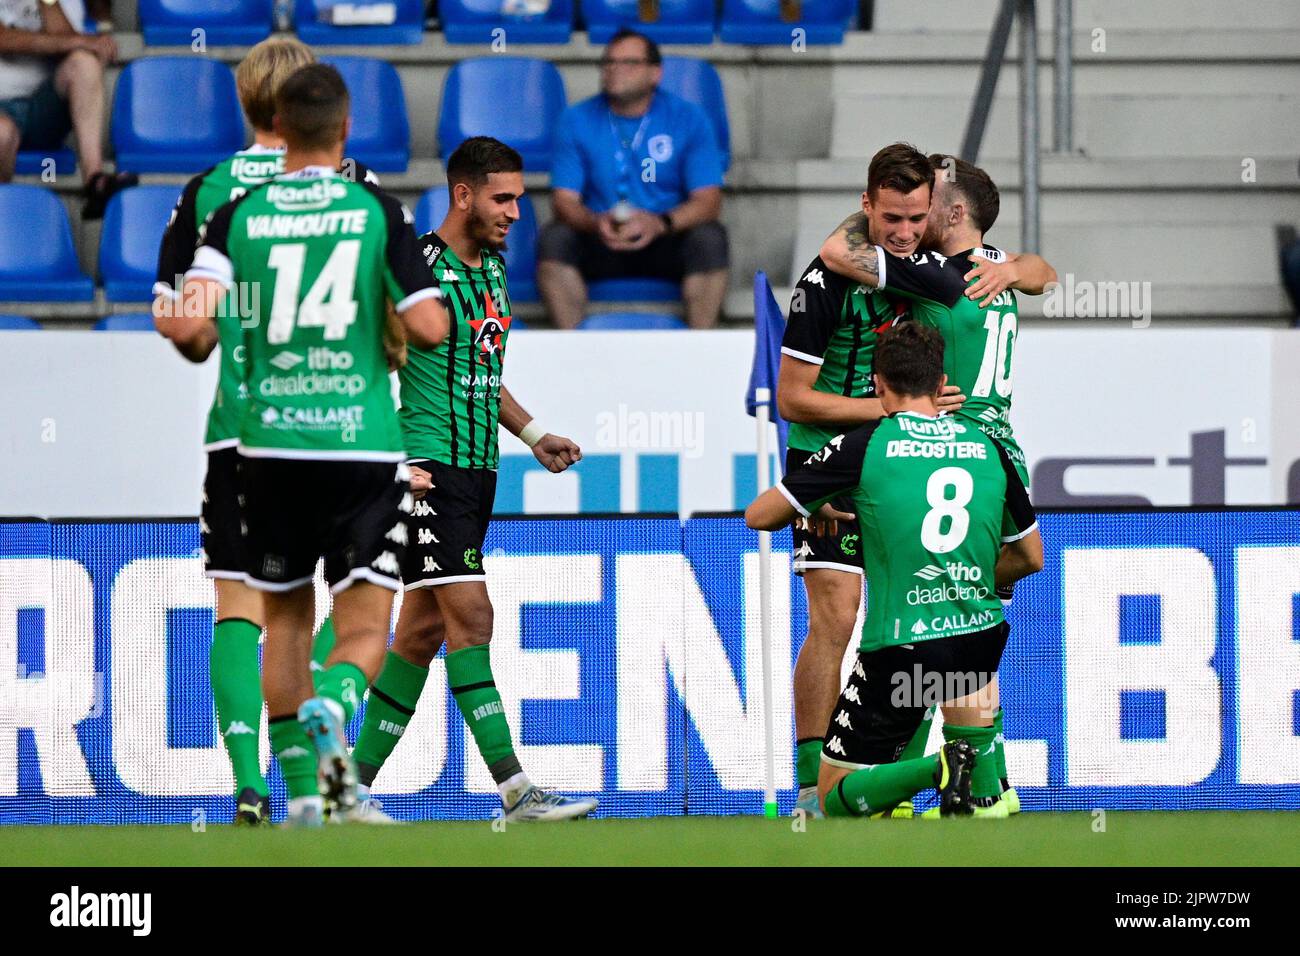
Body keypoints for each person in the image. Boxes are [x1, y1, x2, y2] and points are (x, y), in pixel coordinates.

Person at [159, 63, 448, 827]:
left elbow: (191, 332)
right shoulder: (372, 205)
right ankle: (336, 704)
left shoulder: (233, 212)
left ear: (278, 129)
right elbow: (426, 328)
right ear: (345, 130)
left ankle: (297, 797)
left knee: (278, 619)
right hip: (358, 442)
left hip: (263, 445)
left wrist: (199, 332)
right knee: (361, 626)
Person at [349, 136, 598, 822]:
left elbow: (482, 371)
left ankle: (348, 791)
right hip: (428, 470)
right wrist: (387, 462)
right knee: (473, 617)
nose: (518, 213)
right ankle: (516, 791)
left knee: (420, 636)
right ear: (463, 194)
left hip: (478, 472)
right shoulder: (415, 271)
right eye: (504, 198)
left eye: (520, 197)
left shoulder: (491, 268)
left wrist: (531, 433)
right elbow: (364, 366)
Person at [816, 152, 1056, 813]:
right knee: (967, 617)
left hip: (941, 444)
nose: (912, 220)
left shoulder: (936, 278)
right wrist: (1019, 268)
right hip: (999, 455)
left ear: (951, 214)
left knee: (920, 618)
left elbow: (838, 253)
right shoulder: (1000, 268)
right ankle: (989, 790)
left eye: (927, 208)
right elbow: (1047, 274)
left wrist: (873, 217)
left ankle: (912, 775)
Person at [746, 322, 1044, 818]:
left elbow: (760, 515)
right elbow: (1030, 555)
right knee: (982, 786)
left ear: (878, 385)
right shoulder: (988, 446)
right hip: (978, 635)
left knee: (834, 799)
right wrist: (965, 579)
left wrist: (810, 502)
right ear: (941, 381)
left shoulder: (864, 445)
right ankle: (985, 790)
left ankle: (939, 769)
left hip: (902, 646)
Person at [537, 27, 728, 329]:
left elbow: (708, 200)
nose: (614, 70)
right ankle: (571, 347)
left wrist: (660, 223)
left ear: (655, 73)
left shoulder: (688, 118)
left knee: (709, 238)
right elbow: (563, 201)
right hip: (601, 238)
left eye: (628, 63)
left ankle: (699, 347)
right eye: (609, 62)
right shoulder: (576, 119)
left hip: (664, 238)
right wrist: (595, 223)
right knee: (555, 238)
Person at [0, 0, 134, 214]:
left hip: (41, 109)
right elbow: (4, 39)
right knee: (2, 132)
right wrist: (75, 42)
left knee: (84, 62)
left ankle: (95, 180)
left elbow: (67, 37)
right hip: (2, 109)